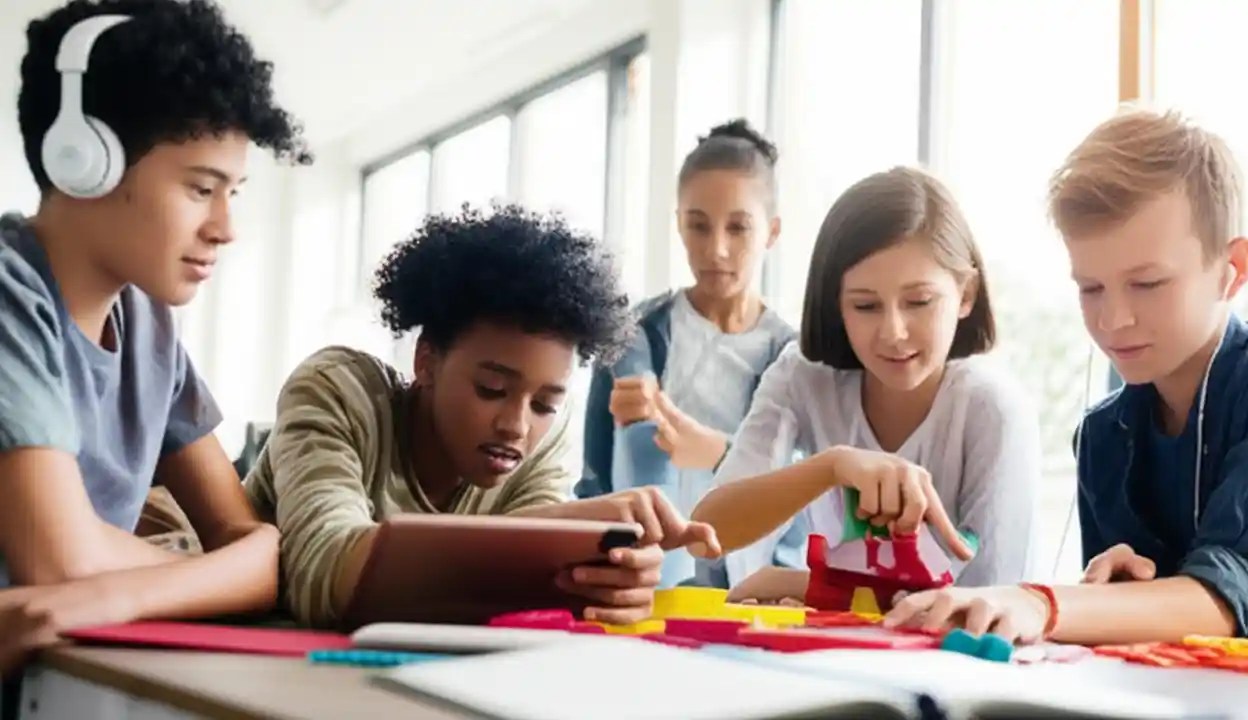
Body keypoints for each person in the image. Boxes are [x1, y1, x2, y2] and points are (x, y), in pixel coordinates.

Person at [883, 108, 1248, 644]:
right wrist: (1106, 591)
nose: (1113, 320)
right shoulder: (1103, 436)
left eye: (1147, 284)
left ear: (1232, 271)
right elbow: (1140, 640)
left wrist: (1039, 603)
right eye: (1090, 289)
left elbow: (1217, 603)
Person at [0, 0, 309, 675]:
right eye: (202, 188)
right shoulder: (7, 296)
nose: (226, 227)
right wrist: (215, 573)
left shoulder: (148, 324)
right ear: (83, 161)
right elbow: (57, 560)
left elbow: (256, 546)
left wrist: (102, 595)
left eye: (235, 192)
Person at [244, 204, 721, 629]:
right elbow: (323, 578)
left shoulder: (540, 445)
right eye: (492, 389)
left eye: (544, 405)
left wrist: (604, 579)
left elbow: (520, 599)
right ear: (426, 361)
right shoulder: (339, 390)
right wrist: (568, 525)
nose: (516, 426)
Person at [692, 166, 1040, 604]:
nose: (893, 331)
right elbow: (705, 534)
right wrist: (832, 467)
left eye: (919, 302)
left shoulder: (993, 408)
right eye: (865, 306)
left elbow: (992, 601)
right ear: (836, 306)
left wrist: (812, 588)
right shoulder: (803, 377)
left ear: (966, 294)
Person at [578, 119, 803, 588]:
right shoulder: (632, 334)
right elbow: (594, 480)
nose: (716, 249)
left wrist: (722, 453)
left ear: (772, 232)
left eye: (738, 228)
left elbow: (808, 501)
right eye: (698, 225)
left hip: (745, 592)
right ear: (678, 222)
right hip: (635, 584)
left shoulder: (794, 358)